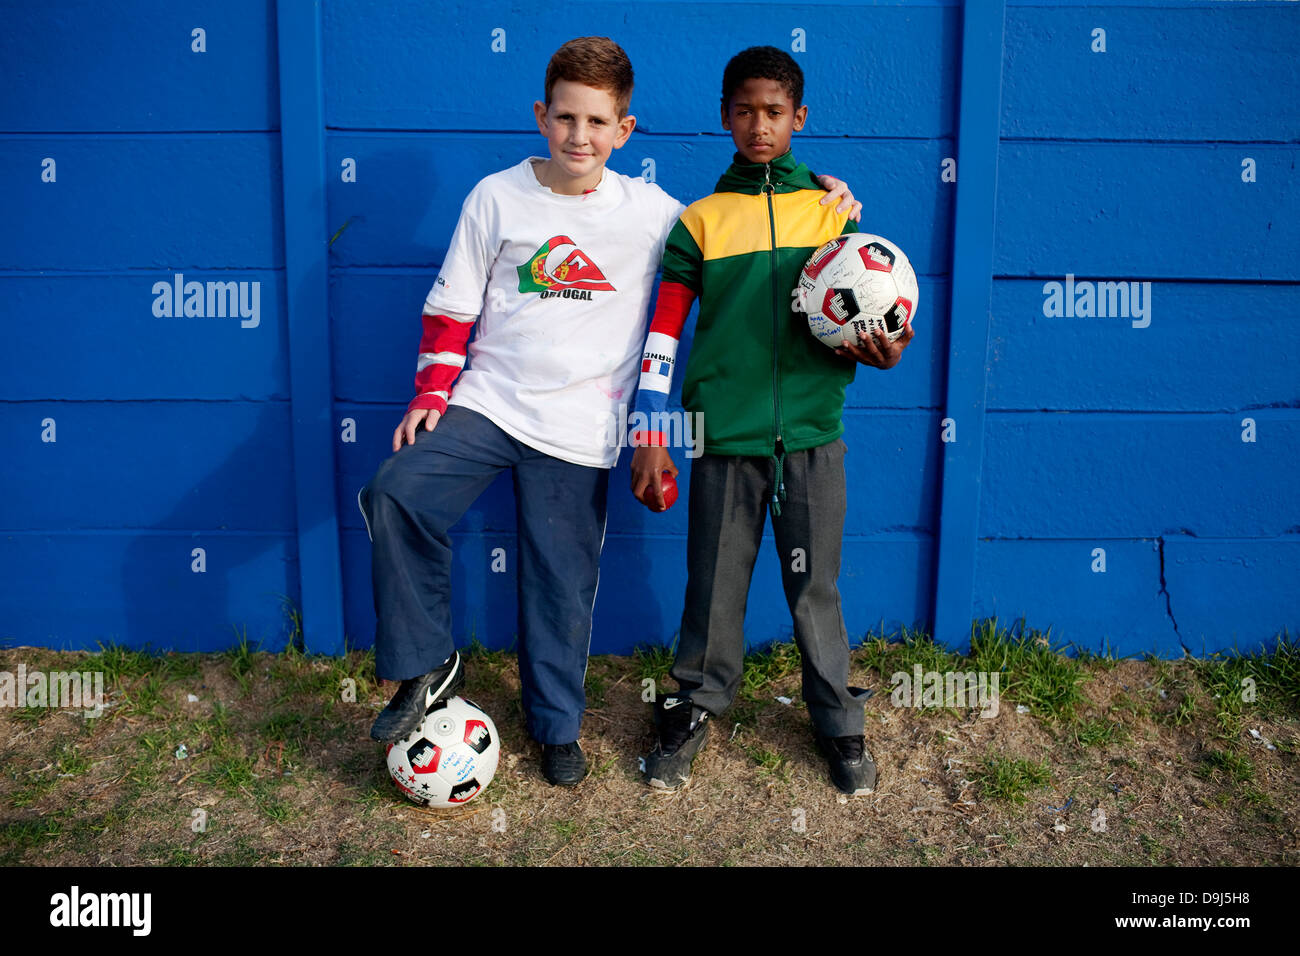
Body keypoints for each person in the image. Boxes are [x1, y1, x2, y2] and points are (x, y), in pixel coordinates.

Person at [358, 37, 861, 786]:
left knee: (559, 586)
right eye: (565, 118)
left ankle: (556, 730)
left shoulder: (661, 216)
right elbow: (451, 307)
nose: (579, 137)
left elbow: (732, 250)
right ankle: (427, 664)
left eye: (597, 122)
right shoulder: (495, 197)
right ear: (542, 115)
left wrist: (830, 198)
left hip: (580, 430)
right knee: (395, 491)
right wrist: (432, 395)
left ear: (624, 130)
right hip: (489, 405)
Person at [629, 45, 915, 796]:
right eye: (746, 111)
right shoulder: (700, 222)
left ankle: (837, 719)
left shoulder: (831, 213)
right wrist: (650, 431)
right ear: (725, 117)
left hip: (814, 437)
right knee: (713, 585)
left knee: (816, 586)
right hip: (724, 437)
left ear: (800, 118)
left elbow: (864, 314)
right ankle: (694, 704)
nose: (761, 125)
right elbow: (662, 337)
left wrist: (883, 353)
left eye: (776, 112)